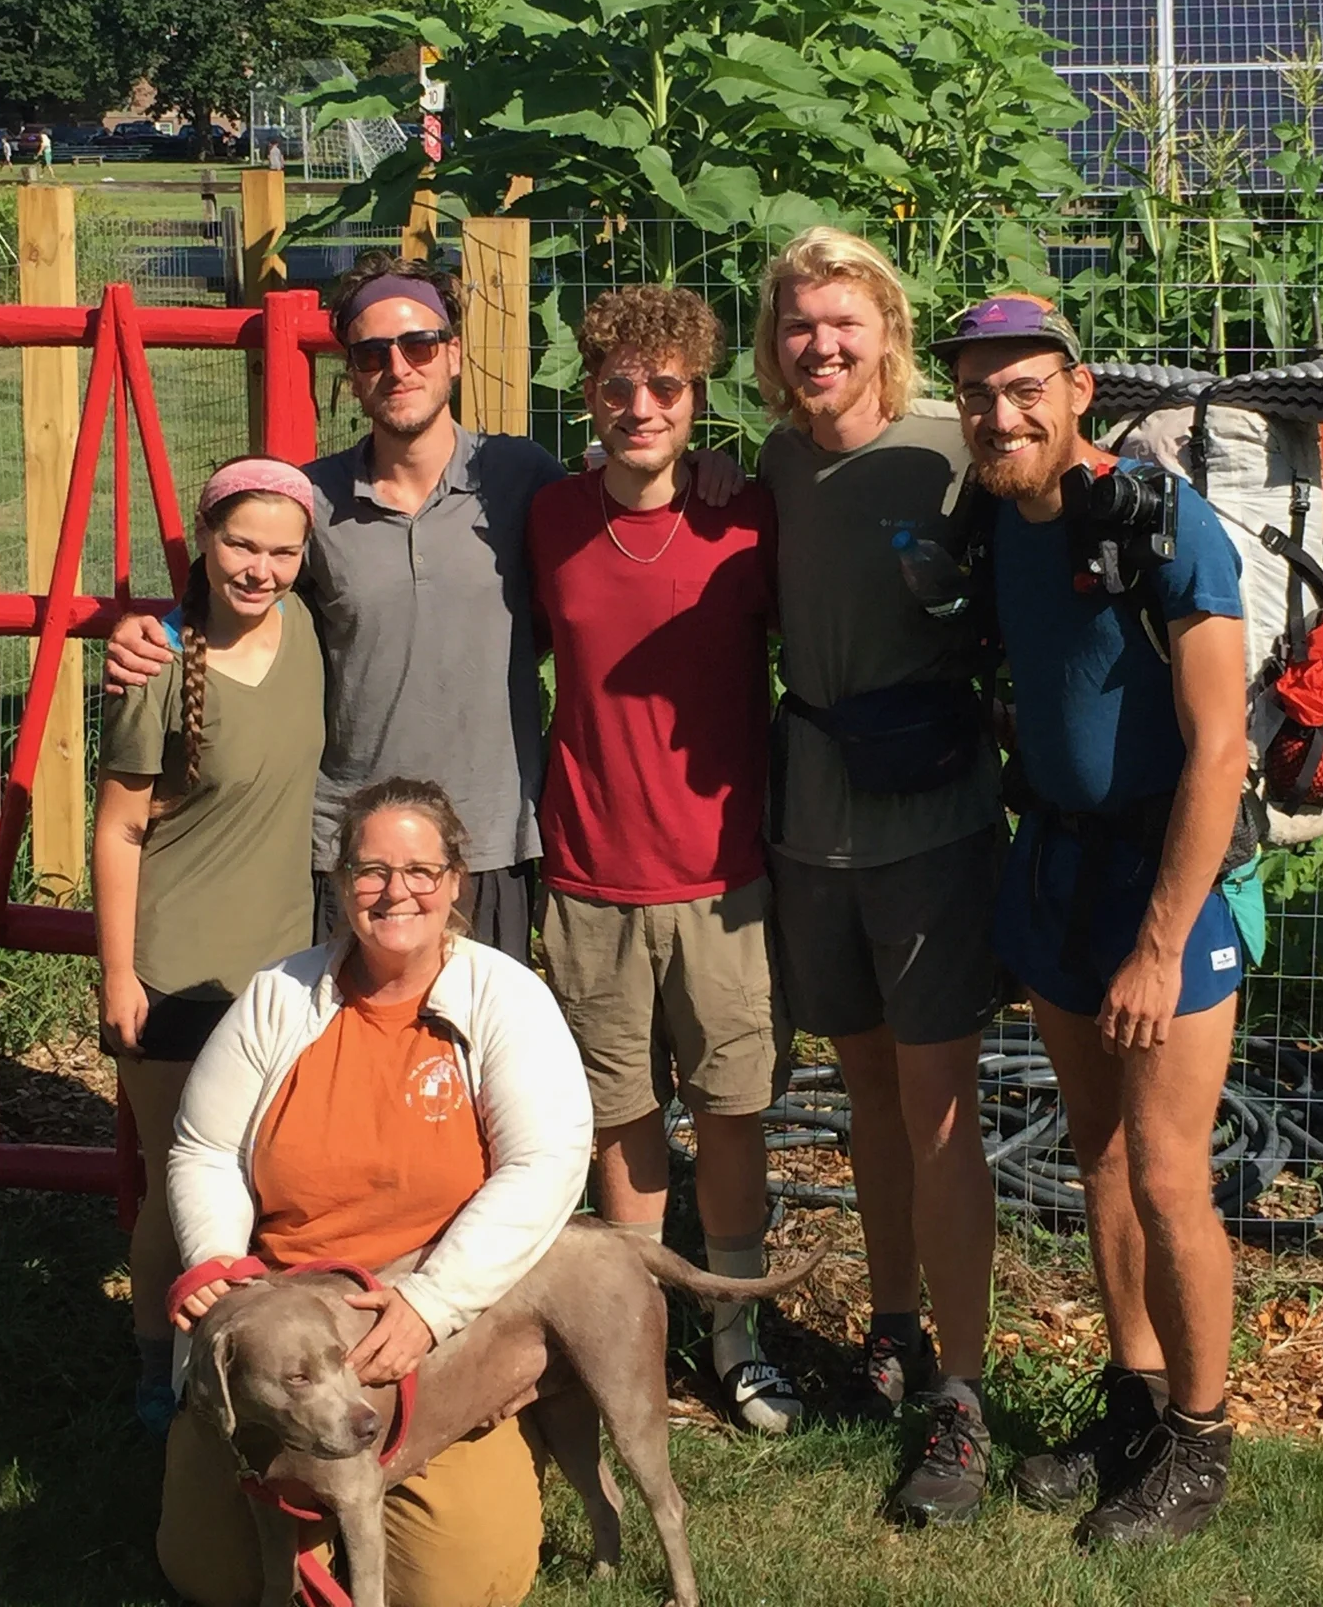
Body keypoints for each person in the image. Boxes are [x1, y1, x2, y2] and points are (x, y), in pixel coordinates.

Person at [106, 252, 742, 961]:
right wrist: (154, 630)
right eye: (373, 353)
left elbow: (626, 493)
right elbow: (235, 592)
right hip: (351, 841)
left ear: (455, 356)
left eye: (419, 345)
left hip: (488, 838)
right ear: (352, 373)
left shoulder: (520, 477)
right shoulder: (312, 502)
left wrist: (708, 468)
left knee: (473, 1059)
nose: (399, 367)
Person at [939, 292, 1250, 1548]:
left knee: (1172, 1174)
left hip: (1159, 885)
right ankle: (1130, 1397)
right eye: (977, 393)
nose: (1000, 413)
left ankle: (1202, 1436)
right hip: (1055, 868)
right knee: (1099, 1152)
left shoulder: (1168, 522)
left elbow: (1220, 747)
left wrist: (1161, 941)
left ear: (1079, 389)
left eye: (1026, 389)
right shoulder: (1006, 519)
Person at [158, 775, 593, 1607]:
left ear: (456, 882)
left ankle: (489, 1433)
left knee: (466, 1586)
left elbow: (548, 1161)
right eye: (371, 871)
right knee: (212, 1576)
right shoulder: (278, 997)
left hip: (431, 1327)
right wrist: (219, 1262)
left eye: (420, 871)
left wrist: (434, 1303)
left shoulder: (506, 997)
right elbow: (205, 1145)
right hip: (284, 1324)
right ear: (340, 882)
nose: (396, 892)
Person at [752, 226, 1007, 1524]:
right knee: (865, 1090)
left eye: (843, 321)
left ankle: (962, 1388)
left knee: (939, 1100)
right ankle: (894, 1328)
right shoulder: (778, 463)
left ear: (887, 328)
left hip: (930, 823)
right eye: (799, 323)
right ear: (774, 341)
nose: (822, 344)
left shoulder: (950, 449)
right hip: (812, 824)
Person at [528, 284, 800, 1434]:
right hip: (589, 873)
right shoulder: (547, 519)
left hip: (722, 877)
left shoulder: (749, 518)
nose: (641, 406)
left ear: (699, 398)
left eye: (666, 387)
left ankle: (735, 1329)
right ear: (589, 394)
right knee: (622, 1115)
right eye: (618, 386)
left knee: (732, 1109)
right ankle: (633, 1327)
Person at [92, 457, 321, 1437]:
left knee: (270, 1175)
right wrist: (116, 972)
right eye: (241, 543)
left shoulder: (307, 632)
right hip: (175, 970)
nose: (261, 568)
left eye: (283, 549)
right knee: (179, 1186)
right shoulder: (162, 665)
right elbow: (118, 827)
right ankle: (159, 1359)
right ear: (203, 537)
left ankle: (256, 1356)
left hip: (283, 970)